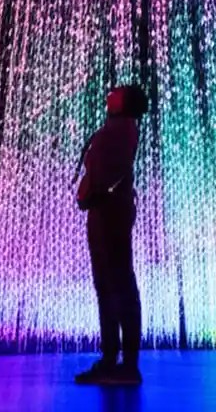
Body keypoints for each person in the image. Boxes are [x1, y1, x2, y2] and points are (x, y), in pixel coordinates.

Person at [73, 84, 147, 386]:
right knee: (109, 285)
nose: (109, 94)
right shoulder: (118, 129)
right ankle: (113, 359)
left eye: (116, 93)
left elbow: (106, 171)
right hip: (106, 214)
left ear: (125, 102)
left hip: (110, 214)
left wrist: (91, 193)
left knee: (117, 285)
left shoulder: (120, 131)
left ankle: (123, 364)